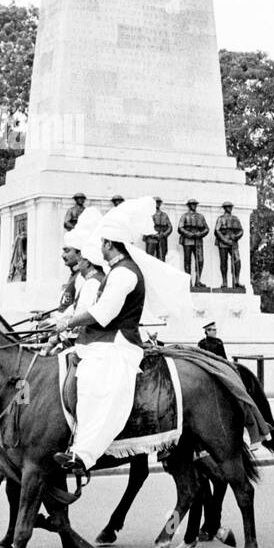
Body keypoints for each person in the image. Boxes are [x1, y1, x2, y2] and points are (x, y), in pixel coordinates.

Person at [52, 199, 178, 478]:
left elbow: (104, 313)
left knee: (94, 380)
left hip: (119, 343)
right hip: (103, 339)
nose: (100, 249)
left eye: (103, 244)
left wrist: (67, 322)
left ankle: (84, 453)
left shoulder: (124, 274)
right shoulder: (117, 271)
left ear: (110, 244)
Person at [178, 198, 209, 287]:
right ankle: (189, 281)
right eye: (192, 204)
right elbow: (180, 228)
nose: (194, 206)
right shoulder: (184, 216)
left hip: (198, 240)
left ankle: (198, 280)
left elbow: (206, 228)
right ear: (189, 205)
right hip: (188, 240)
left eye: (195, 204)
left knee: (200, 261)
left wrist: (200, 234)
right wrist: (189, 234)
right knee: (187, 261)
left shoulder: (200, 216)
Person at [215, 201, 244, 289]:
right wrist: (225, 240)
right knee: (224, 262)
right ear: (224, 208)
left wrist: (236, 236)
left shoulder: (235, 218)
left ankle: (236, 281)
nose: (230, 208)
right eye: (228, 207)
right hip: (223, 242)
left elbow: (241, 230)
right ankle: (224, 281)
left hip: (233, 242)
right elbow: (217, 231)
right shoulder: (220, 218)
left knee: (237, 260)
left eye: (231, 207)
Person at [144, 197, 172, 261]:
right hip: (151, 239)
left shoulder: (164, 215)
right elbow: (145, 227)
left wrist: (164, 234)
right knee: (149, 258)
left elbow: (170, 227)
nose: (157, 204)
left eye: (159, 202)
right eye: (156, 202)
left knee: (162, 258)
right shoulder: (148, 214)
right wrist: (153, 234)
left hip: (162, 238)